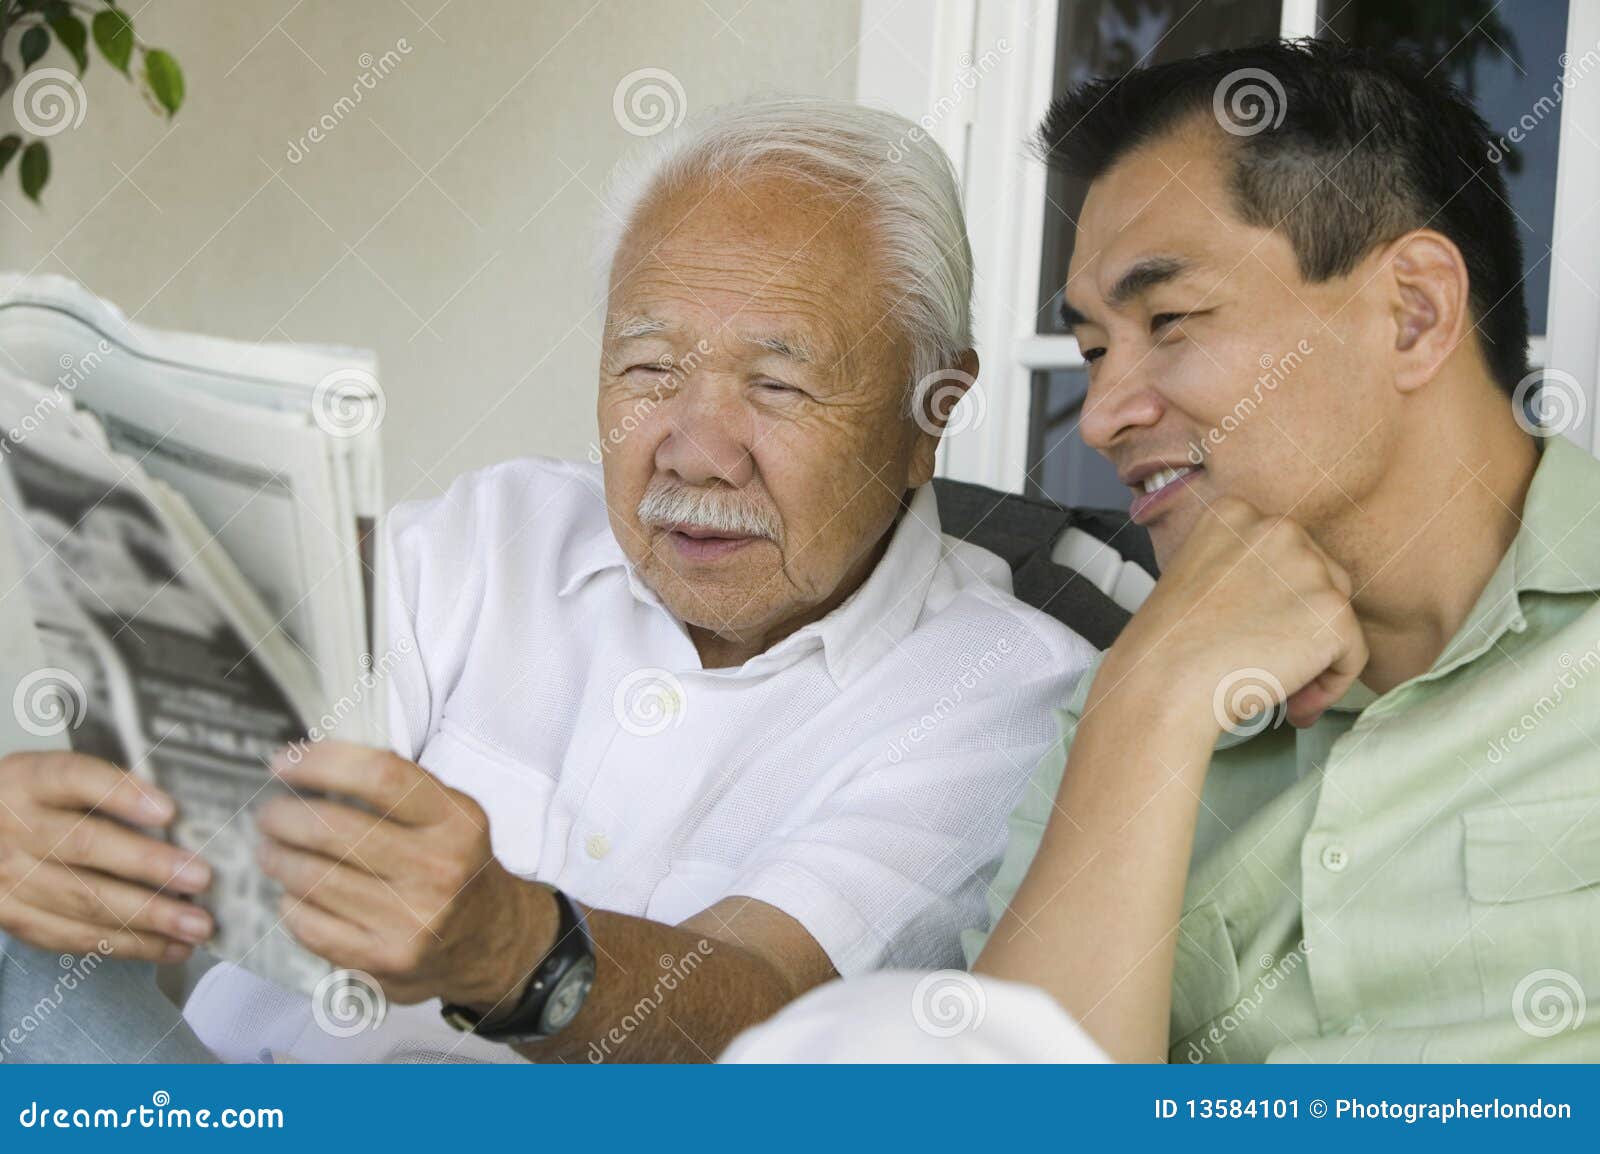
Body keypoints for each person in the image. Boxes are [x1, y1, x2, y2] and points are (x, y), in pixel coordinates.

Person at [0, 97, 1094, 1064]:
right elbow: (215, 794)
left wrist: (516, 949)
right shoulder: (498, 528)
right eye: (648, 368)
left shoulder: (1000, 684)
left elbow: (766, 1008)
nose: (695, 448)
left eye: (777, 381)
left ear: (931, 409)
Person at [733, 39, 1600, 1064]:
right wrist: (1150, 704)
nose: (1100, 414)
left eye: (1170, 320)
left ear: (1412, 311)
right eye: (1096, 347)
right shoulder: (1130, 696)